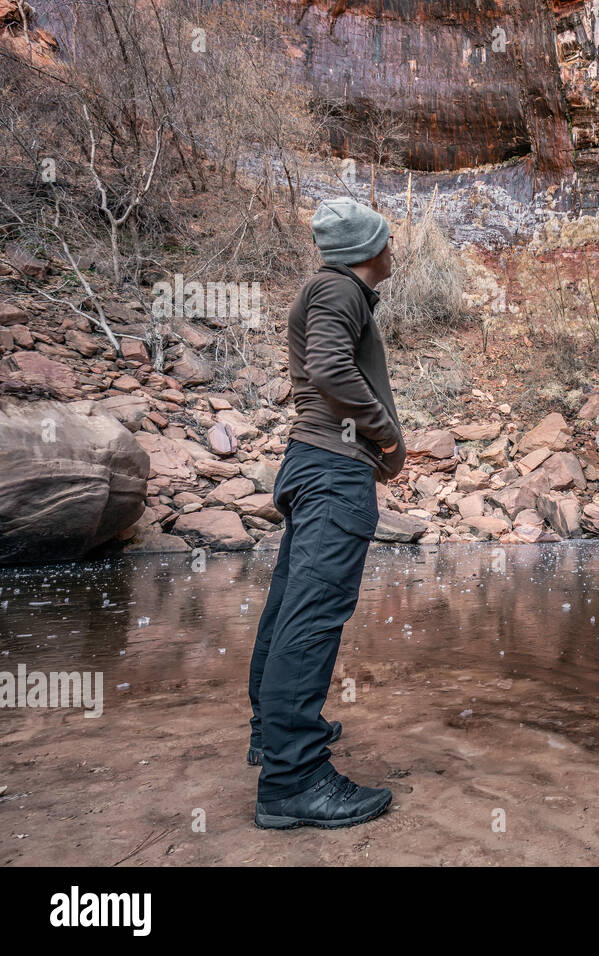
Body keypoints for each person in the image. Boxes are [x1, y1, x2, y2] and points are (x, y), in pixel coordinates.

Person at [245, 197, 406, 829]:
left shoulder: (332, 290)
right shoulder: (337, 290)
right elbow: (331, 367)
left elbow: (327, 369)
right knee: (312, 617)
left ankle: (274, 735)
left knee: (290, 607)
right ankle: (292, 780)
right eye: (387, 240)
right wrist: (386, 434)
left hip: (314, 463)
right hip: (333, 472)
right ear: (369, 249)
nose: (393, 248)